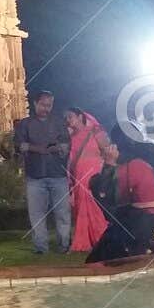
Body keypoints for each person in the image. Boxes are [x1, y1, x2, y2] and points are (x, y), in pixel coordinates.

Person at [87, 136, 154, 264]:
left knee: (100, 257)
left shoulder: (135, 166)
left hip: (143, 236)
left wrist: (109, 164)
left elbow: (107, 196)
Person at [13, 91, 70, 255]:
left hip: (58, 174)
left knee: (62, 213)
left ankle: (64, 245)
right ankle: (41, 247)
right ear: (35, 103)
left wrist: (44, 148)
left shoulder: (59, 123)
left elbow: (65, 145)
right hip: (35, 175)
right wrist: (40, 149)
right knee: (37, 214)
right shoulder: (25, 124)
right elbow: (19, 145)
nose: (47, 108)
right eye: (44, 105)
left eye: (49, 105)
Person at [65, 107, 109, 253]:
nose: (69, 120)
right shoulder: (70, 135)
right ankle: (84, 240)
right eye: (67, 118)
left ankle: (101, 238)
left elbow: (106, 149)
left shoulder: (96, 131)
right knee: (80, 205)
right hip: (78, 174)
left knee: (92, 204)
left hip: (93, 173)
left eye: (71, 117)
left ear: (79, 116)